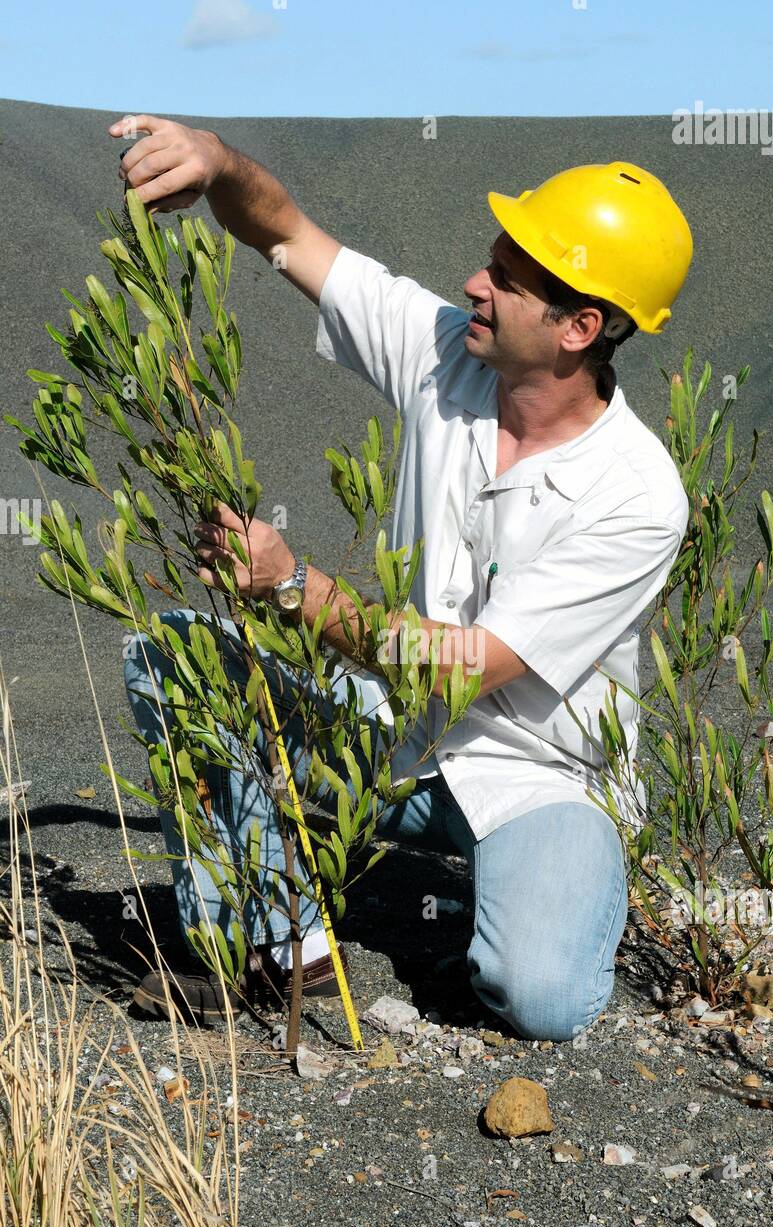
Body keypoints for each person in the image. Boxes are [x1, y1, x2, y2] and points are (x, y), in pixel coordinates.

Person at [116, 114, 693, 1041]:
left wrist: (291, 584)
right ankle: (273, 944)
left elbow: (461, 668)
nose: (474, 283)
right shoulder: (443, 353)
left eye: (505, 280)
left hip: (538, 774)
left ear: (579, 326)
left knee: (539, 999)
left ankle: (565, 876)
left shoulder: (636, 496)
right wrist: (217, 162)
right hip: (392, 736)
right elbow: (287, 234)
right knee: (175, 654)